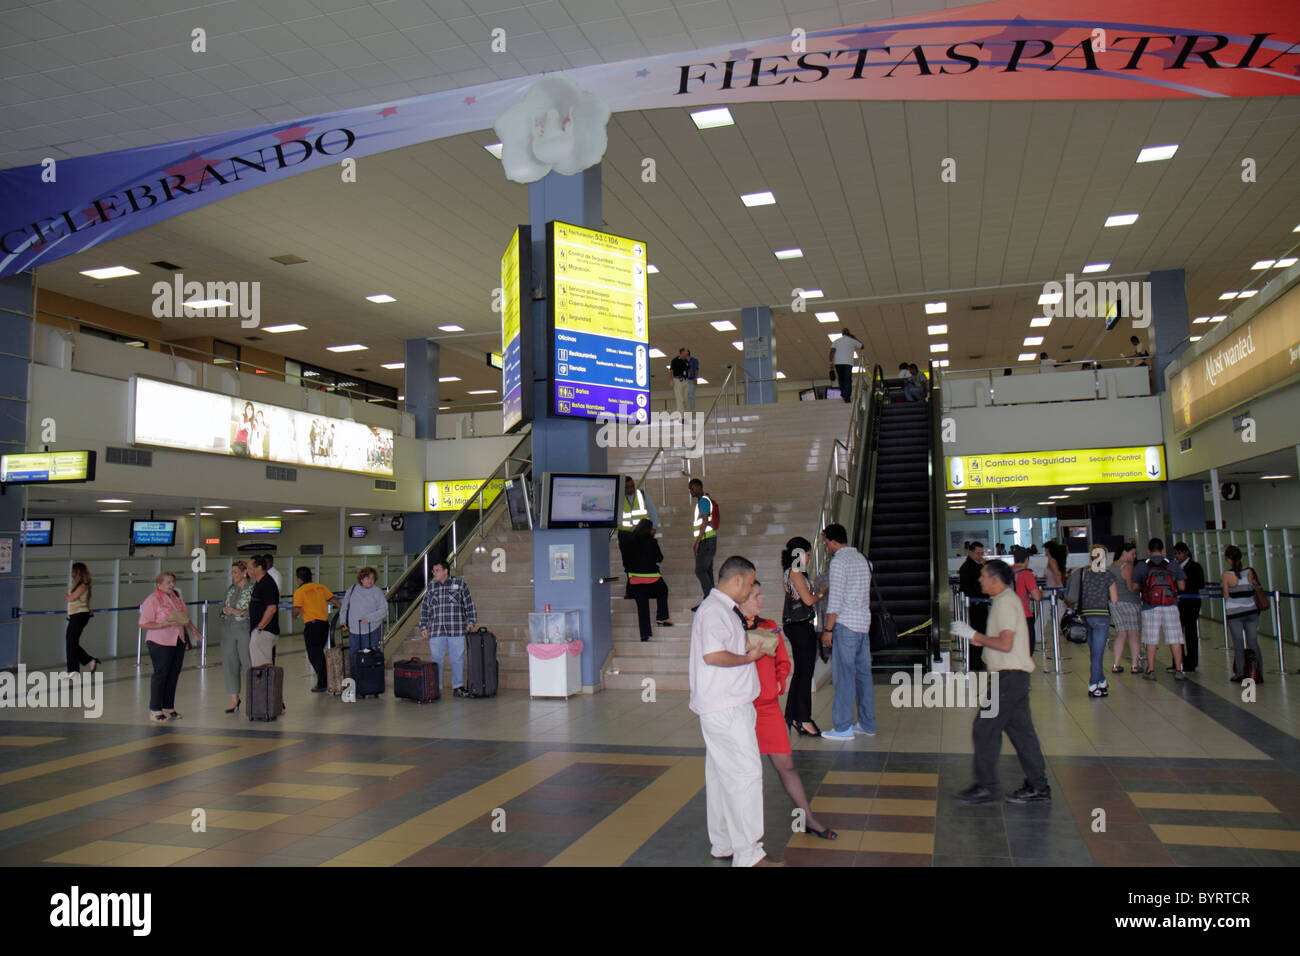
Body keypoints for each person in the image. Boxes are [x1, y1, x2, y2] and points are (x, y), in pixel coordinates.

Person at [688, 554, 782, 867]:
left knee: (720, 777)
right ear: (737, 579)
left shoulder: (719, 609)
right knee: (746, 775)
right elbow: (714, 655)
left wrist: (749, 646)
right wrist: (749, 658)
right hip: (728, 708)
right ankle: (750, 855)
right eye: (749, 584)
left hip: (719, 707)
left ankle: (724, 843)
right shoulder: (715, 610)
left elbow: (723, 646)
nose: (751, 592)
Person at [740, 581, 835, 841]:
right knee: (748, 775)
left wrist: (779, 682)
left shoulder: (769, 627)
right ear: (739, 598)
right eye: (754, 596)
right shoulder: (729, 629)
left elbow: (782, 662)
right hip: (740, 711)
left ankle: (809, 818)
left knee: (787, 766)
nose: (760, 601)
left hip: (767, 709)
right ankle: (747, 836)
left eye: (760, 595)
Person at [951, 560, 1050, 804]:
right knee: (1022, 734)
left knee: (984, 729)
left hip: (1007, 678)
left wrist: (975, 635)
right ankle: (1039, 786)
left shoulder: (1005, 602)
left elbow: (1005, 644)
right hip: (1013, 677)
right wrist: (981, 640)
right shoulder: (1004, 600)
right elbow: (1004, 640)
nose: (980, 580)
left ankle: (986, 787)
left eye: (984, 576)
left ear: (996, 579)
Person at [820, 523, 876, 740]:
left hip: (845, 626)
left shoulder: (839, 562)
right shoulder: (863, 560)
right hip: (863, 626)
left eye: (826, 543)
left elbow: (835, 601)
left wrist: (828, 629)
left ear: (833, 541)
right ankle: (867, 723)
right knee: (863, 676)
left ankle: (843, 727)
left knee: (844, 677)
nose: (827, 547)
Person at [781, 536, 826, 737]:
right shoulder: (796, 572)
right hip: (801, 627)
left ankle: (793, 715)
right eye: (807, 554)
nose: (809, 558)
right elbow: (808, 601)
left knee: (800, 673)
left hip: (794, 626)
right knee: (805, 673)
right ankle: (804, 718)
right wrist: (821, 594)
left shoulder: (788, 572)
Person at [138, 571, 198, 722]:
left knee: (173, 674)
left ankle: (168, 706)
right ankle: (155, 709)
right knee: (161, 673)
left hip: (177, 639)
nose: (172, 585)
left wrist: (192, 629)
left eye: (173, 582)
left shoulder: (176, 597)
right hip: (159, 641)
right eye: (168, 582)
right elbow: (143, 623)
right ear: (159, 585)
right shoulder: (152, 599)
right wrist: (162, 624)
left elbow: (183, 617)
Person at [1130, 537, 1187, 680]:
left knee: (1151, 639)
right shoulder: (1173, 564)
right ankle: (1179, 670)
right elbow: (1182, 586)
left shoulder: (1142, 566)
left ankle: (1151, 670)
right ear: (1163, 550)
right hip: (1171, 605)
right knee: (1175, 639)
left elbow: (1135, 587)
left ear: (1148, 551)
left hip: (1150, 606)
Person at [418, 560, 477, 697]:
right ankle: (436, 687)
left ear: (446, 571)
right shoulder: (431, 588)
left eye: (437, 570)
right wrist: (423, 626)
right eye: (433, 571)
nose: (434, 573)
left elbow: (469, 603)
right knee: (436, 659)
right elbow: (425, 609)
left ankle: (458, 686)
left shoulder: (459, 584)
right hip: (437, 630)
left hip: (456, 629)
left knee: (457, 659)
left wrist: (471, 621)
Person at [1073, 546, 1118, 698]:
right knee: (1098, 654)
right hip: (1101, 617)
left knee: (1094, 652)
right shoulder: (1108, 575)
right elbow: (1115, 599)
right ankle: (1093, 685)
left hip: (1086, 616)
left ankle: (1102, 682)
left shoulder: (1084, 574)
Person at [293, 566, 340, 694]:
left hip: (312, 626)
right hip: (324, 625)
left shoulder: (300, 591)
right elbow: (335, 601)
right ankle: (325, 679)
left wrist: (294, 615)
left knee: (315, 655)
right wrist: (343, 611)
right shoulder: (321, 587)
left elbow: (296, 610)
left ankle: (323, 682)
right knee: (319, 653)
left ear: (298, 579)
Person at [1221, 546, 1263, 684]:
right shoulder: (1250, 572)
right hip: (1251, 612)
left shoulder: (1226, 575)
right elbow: (1254, 588)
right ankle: (1258, 673)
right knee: (1253, 643)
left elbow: (1226, 596)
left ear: (1228, 559)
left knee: (1238, 643)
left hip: (1235, 614)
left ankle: (1239, 673)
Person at [625, 519, 671, 640]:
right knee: (663, 591)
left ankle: (644, 634)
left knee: (642, 606)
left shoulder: (629, 541)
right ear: (648, 530)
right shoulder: (652, 541)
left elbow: (626, 561)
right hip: (652, 578)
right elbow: (659, 558)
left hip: (635, 580)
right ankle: (661, 619)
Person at [342, 566, 388, 678]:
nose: (370, 581)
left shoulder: (377, 592)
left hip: (371, 630)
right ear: (361, 579)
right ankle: (356, 680)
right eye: (367, 578)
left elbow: (384, 610)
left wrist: (369, 618)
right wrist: (343, 621)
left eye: (372, 578)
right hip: (354, 630)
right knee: (354, 656)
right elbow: (344, 606)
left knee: (369, 656)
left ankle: (369, 680)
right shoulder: (352, 589)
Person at [219, 561, 254, 713]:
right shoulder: (231, 590)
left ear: (244, 572)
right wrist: (224, 610)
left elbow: (255, 611)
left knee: (248, 663)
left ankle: (253, 696)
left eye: (235, 572)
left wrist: (238, 612)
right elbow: (223, 605)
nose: (233, 575)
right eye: (232, 572)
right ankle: (234, 698)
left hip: (244, 629)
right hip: (228, 630)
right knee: (230, 664)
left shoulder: (252, 589)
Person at [1109, 542, 1142, 674]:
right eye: (1133, 553)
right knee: (1133, 634)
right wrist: (1140, 585)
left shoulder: (1111, 567)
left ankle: (1116, 664)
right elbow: (1131, 587)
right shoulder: (1127, 566)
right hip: (1130, 603)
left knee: (1121, 634)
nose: (1134, 556)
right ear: (1125, 553)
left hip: (1114, 603)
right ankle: (1134, 665)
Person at [1172, 542, 1205, 673]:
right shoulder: (1174, 567)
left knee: (1191, 632)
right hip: (1177, 603)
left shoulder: (1195, 566)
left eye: (1179, 553)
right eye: (1175, 554)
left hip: (1191, 603)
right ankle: (1177, 661)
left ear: (1186, 552)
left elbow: (1200, 583)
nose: (1177, 556)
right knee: (1176, 634)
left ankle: (1191, 662)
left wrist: (1184, 583)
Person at [63, 562, 99, 674]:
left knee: (71, 642)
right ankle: (89, 660)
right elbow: (70, 599)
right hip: (75, 615)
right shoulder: (75, 584)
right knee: (71, 642)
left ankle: (73, 670)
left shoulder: (83, 585)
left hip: (80, 615)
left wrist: (67, 597)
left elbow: (70, 598)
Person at [689, 478, 719, 611]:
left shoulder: (703, 501)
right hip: (708, 540)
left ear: (698, 487)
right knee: (707, 571)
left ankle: (709, 599)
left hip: (706, 541)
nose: (691, 491)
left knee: (700, 570)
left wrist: (697, 542)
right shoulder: (704, 501)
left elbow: (705, 521)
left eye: (692, 488)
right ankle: (712, 600)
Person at [246, 555, 281, 668]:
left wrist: (260, 627)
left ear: (259, 568)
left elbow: (271, 608)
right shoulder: (259, 583)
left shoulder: (267, 583)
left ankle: (265, 686)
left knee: (262, 667)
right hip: (260, 631)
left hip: (264, 632)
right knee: (259, 666)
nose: (248, 571)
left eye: (250, 568)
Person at [958, 541, 988, 672]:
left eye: (981, 553)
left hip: (980, 602)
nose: (980, 556)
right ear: (970, 552)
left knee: (981, 631)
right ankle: (974, 661)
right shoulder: (967, 567)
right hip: (974, 603)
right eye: (978, 553)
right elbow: (967, 587)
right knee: (977, 631)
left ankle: (977, 659)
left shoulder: (977, 566)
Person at [1010, 546, 1041, 656]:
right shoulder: (1026, 573)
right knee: (1027, 649)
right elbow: (1036, 596)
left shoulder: (1006, 572)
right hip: (1023, 615)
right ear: (1027, 560)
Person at [828, 328, 862, 402]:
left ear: (842, 334)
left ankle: (843, 394)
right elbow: (862, 346)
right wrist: (854, 338)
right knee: (847, 380)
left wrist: (831, 363)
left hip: (838, 363)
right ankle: (846, 397)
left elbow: (831, 352)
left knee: (841, 379)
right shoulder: (852, 341)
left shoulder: (837, 341)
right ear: (849, 333)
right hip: (848, 363)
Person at [671, 347, 691, 413]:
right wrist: (671, 380)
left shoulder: (686, 361)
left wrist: (688, 377)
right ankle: (681, 416)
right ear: (682, 352)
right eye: (686, 351)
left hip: (685, 381)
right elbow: (671, 371)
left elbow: (688, 370)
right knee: (680, 399)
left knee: (685, 399)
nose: (688, 352)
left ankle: (685, 413)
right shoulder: (675, 360)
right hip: (677, 380)